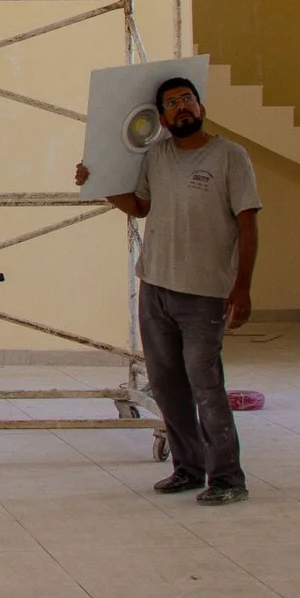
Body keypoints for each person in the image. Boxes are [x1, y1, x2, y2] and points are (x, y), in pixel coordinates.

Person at [75, 77, 260, 505]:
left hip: (205, 293)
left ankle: (229, 478)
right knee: (166, 384)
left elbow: (248, 224)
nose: (181, 108)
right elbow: (140, 207)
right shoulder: (157, 157)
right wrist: (97, 180)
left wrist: (243, 288)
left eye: (187, 100)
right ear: (161, 119)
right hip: (156, 286)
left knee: (206, 385)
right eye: (172, 104)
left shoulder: (231, 156)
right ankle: (188, 469)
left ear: (201, 107)